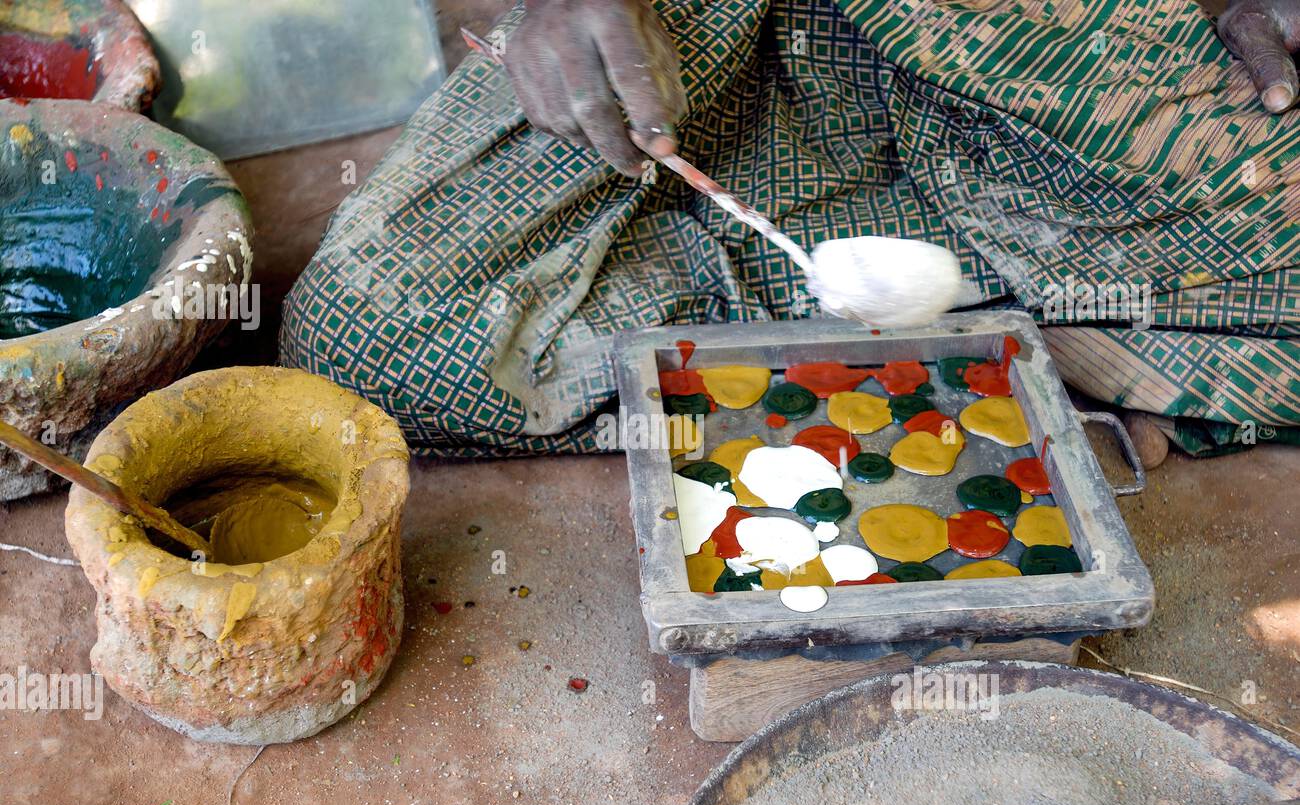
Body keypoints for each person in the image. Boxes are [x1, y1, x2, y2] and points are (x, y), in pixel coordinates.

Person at [281, 0, 1300, 464]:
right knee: (373, 337)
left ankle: (1017, 319)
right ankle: (1040, 330)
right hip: (752, 47)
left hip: (1086, 81)